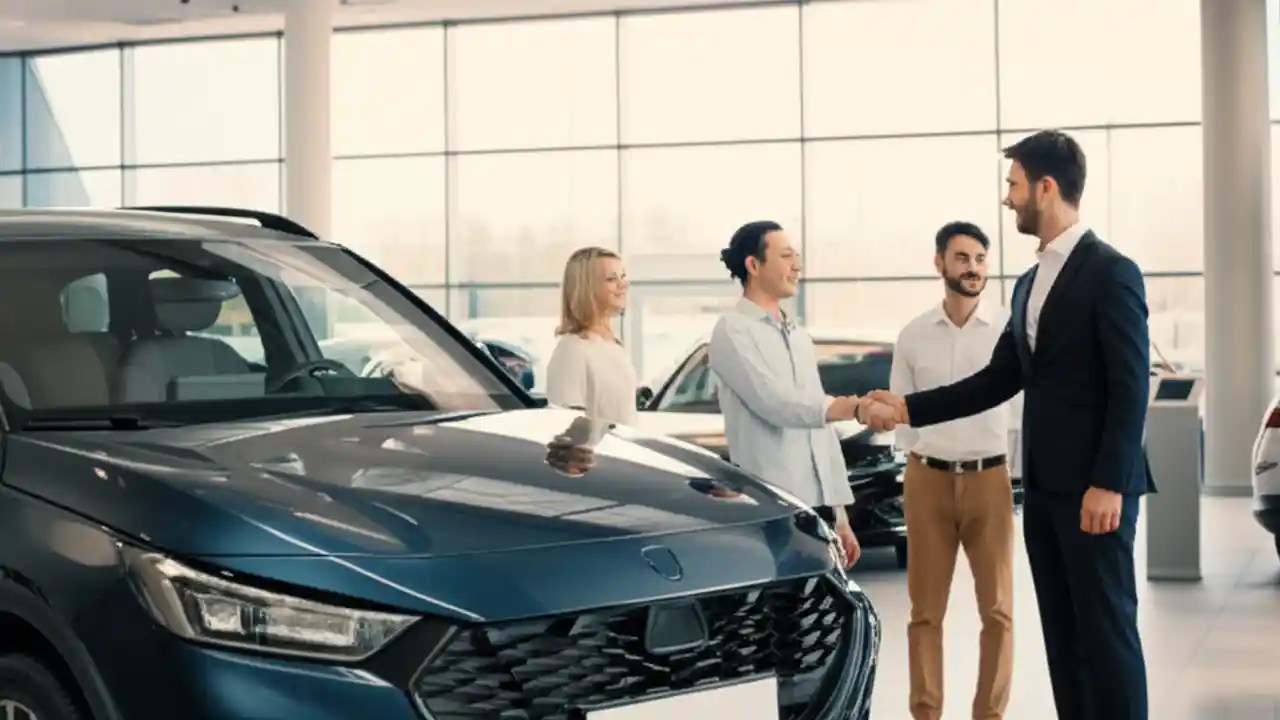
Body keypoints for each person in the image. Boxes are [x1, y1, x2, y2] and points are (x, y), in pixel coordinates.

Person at [864, 130, 1154, 720]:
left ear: (1046, 188)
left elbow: (1130, 386)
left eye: (1014, 184)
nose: (1008, 199)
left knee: (1107, 635)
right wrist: (908, 408)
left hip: (1095, 492)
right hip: (1044, 492)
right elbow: (998, 380)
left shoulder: (1111, 271)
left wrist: (1110, 482)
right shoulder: (1028, 283)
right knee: (1063, 640)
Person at [890, 221, 1016, 720]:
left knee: (999, 611)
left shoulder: (1008, 329)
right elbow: (902, 414)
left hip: (990, 478)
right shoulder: (914, 335)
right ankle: (926, 713)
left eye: (981, 258)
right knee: (924, 613)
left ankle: (989, 714)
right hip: (929, 480)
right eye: (962, 258)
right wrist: (924, 460)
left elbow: (1024, 411)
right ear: (939, 263)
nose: (973, 268)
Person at [706, 220, 864, 567]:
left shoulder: (797, 334)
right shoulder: (732, 331)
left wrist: (840, 517)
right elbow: (774, 403)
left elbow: (819, 431)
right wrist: (852, 407)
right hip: (774, 503)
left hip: (817, 506)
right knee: (781, 613)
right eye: (787, 256)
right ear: (753, 264)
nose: (798, 266)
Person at [544, 246, 637, 428]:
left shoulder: (613, 346)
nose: (623, 284)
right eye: (611, 279)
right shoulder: (572, 352)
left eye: (623, 276)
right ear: (586, 288)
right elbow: (568, 429)